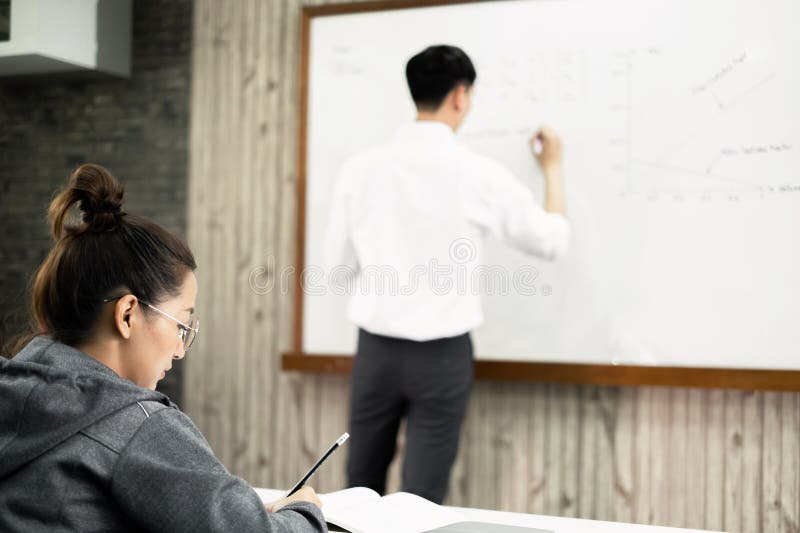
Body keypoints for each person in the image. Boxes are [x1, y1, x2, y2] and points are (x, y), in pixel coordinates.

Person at [0, 164, 327, 532]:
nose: (179, 349)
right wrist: (303, 512)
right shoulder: (135, 425)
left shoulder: (13, 390)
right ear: (127, 315)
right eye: (182, 324)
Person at [325, 45, 570, 504]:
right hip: (443, 358)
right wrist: (553, 169)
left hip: (375, 353)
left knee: (357, 494)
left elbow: (337, 271)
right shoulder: (478, 173)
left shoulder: (360, 170)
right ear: (460, 96)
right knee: (419, 504)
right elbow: (552, 240)